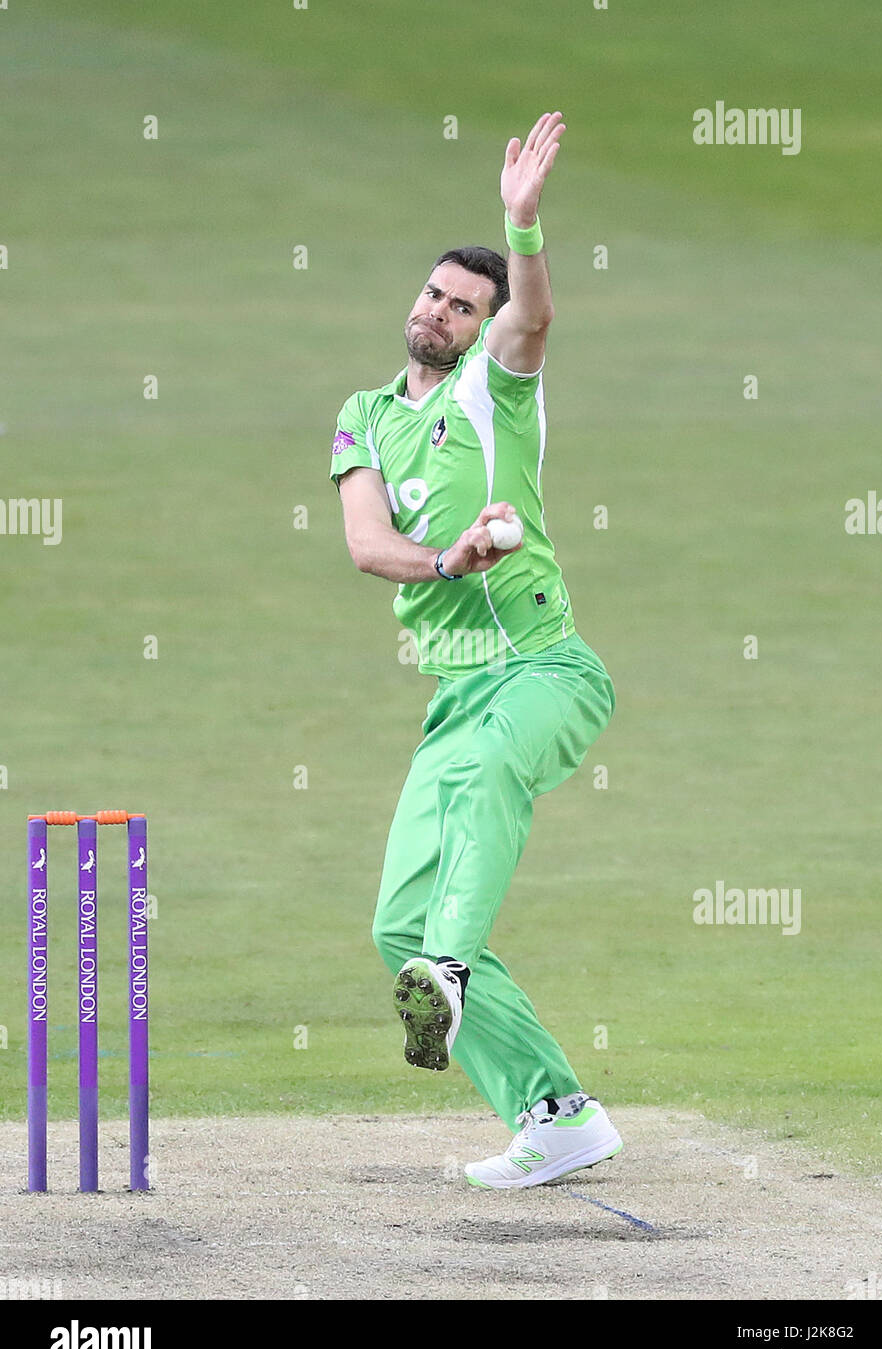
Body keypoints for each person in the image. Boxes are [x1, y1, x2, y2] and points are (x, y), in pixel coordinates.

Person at [329, 112, 622, 1188]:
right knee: (393, 922)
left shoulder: (491, 387)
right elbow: (368, 547)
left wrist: (523, 227)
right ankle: (555, 1112)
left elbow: (535, 324)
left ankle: (450, 964)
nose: (438, 312)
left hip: (546, 671)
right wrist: (447, 561)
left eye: (462, 305)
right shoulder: (363, 414)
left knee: (497, 778)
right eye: (433, 294)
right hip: (453, 693)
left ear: (480, 326)